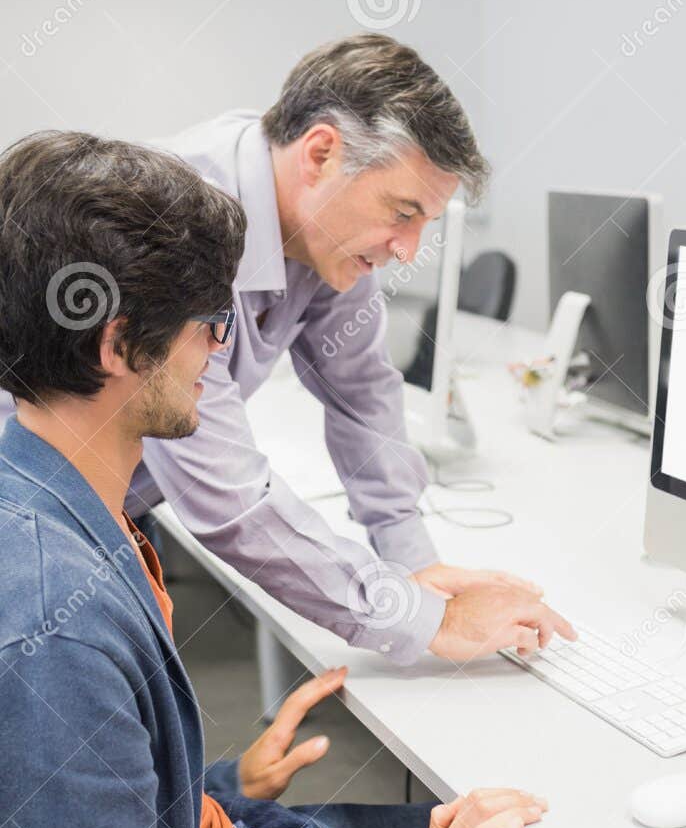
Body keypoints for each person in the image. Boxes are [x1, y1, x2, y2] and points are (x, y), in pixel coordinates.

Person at [0, 131, 686, 828]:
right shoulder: (51, 619)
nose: (221, 355)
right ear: (116, 346)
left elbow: (58, 818)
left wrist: (219, 780)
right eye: (207, 328)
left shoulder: (69, 496)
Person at [0, 33, 548, 670]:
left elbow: (361, 389)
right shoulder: (185, 221)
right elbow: (227, 495)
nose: (409, 249)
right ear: (321, 153)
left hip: (110, 506)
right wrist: (424, 619)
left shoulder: (328, 229)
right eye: (403, 212)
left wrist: (414, 563)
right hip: (30, 514)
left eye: (427, 222)